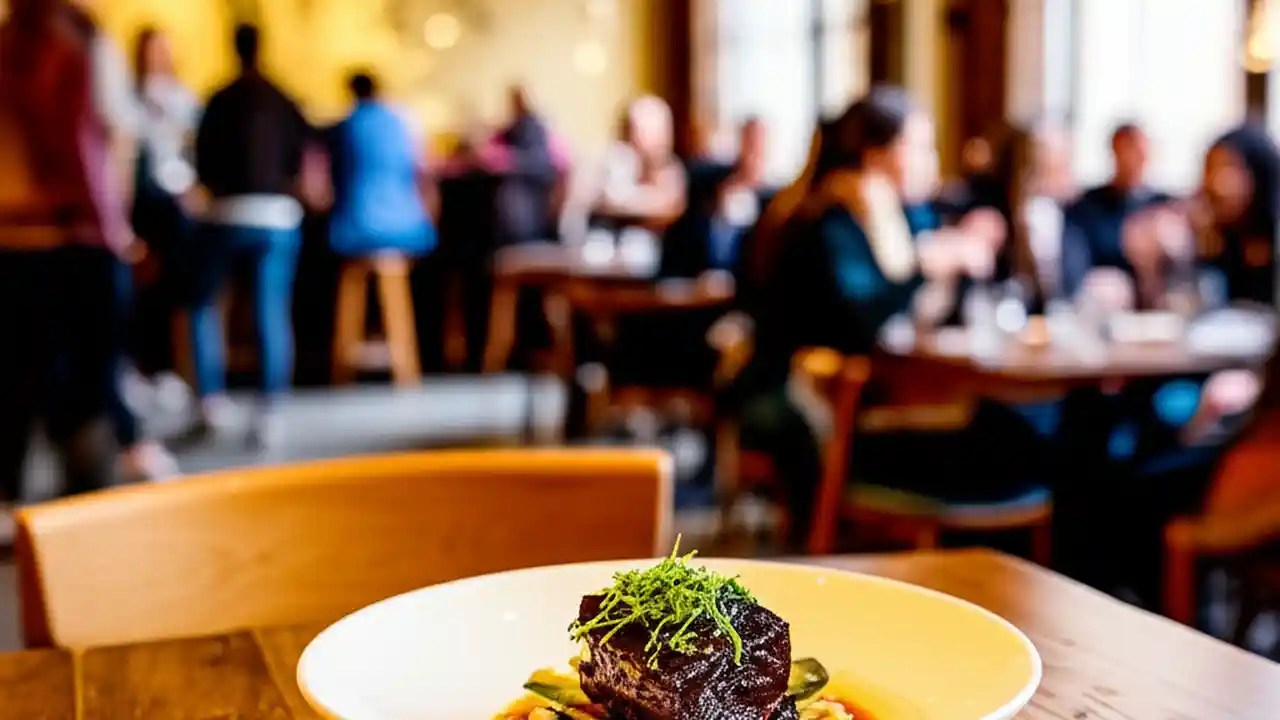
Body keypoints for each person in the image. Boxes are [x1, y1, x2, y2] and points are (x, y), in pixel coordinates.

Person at [730, 87, 1036, 549]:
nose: (930, 160)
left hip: (866, 399)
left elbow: (931, 310)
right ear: (878, 154)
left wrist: (958, 256)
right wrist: (927, 267)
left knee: (1012, 429)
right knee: (998, 438)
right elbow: (860, 320)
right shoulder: (831, 219)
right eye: (920, 146)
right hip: (804, 398)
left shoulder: (902, 215)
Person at [0, 0, 131, 500]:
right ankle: (85, 515)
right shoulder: (89, 43)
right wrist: (119, 227)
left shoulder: (7, 44)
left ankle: (10, 499)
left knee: (13, 382)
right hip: (83, 237)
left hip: (12, 242)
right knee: (89, 389)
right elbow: (114, 139)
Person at [193, 24, 310, 447]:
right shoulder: (284, 99)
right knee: (270, 311)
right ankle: (271, 409)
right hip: (278, 216)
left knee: (203, 304)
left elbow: (201, 163)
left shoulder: (218, 99)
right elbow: (302, 159)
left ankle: (211, 400)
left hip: (226, 215)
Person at [327, 71, 434, 258]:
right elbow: (420, 168)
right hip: (406, 223)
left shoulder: (349, 124)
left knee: (353, 265)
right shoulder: (401, 122)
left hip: (358, 224)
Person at [1062, 123, 1173, 300]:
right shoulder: (1087, 207)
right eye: (1127, 150)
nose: (1132, 159)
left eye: (1138, 152)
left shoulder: (1164, 207)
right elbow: (1075, 264)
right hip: (1104, 300)